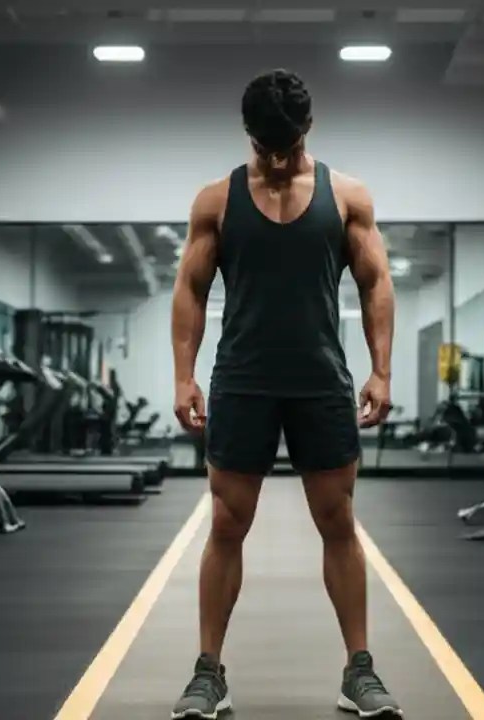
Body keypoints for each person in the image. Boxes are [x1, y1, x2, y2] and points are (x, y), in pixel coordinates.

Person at [169, 68, 401, 719]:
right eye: (266, 148)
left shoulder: (347, 195)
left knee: (338, 521)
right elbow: (190, 289)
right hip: (242, 379)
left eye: (288, 147)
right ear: (248, 134)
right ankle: (208, 671)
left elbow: (375, 280)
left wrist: (381, 370)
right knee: (225, 523)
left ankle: (359, 671)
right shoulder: (216, 201)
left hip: (320, 381)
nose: (277, 161)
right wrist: (184, 375)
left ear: (309, 129)